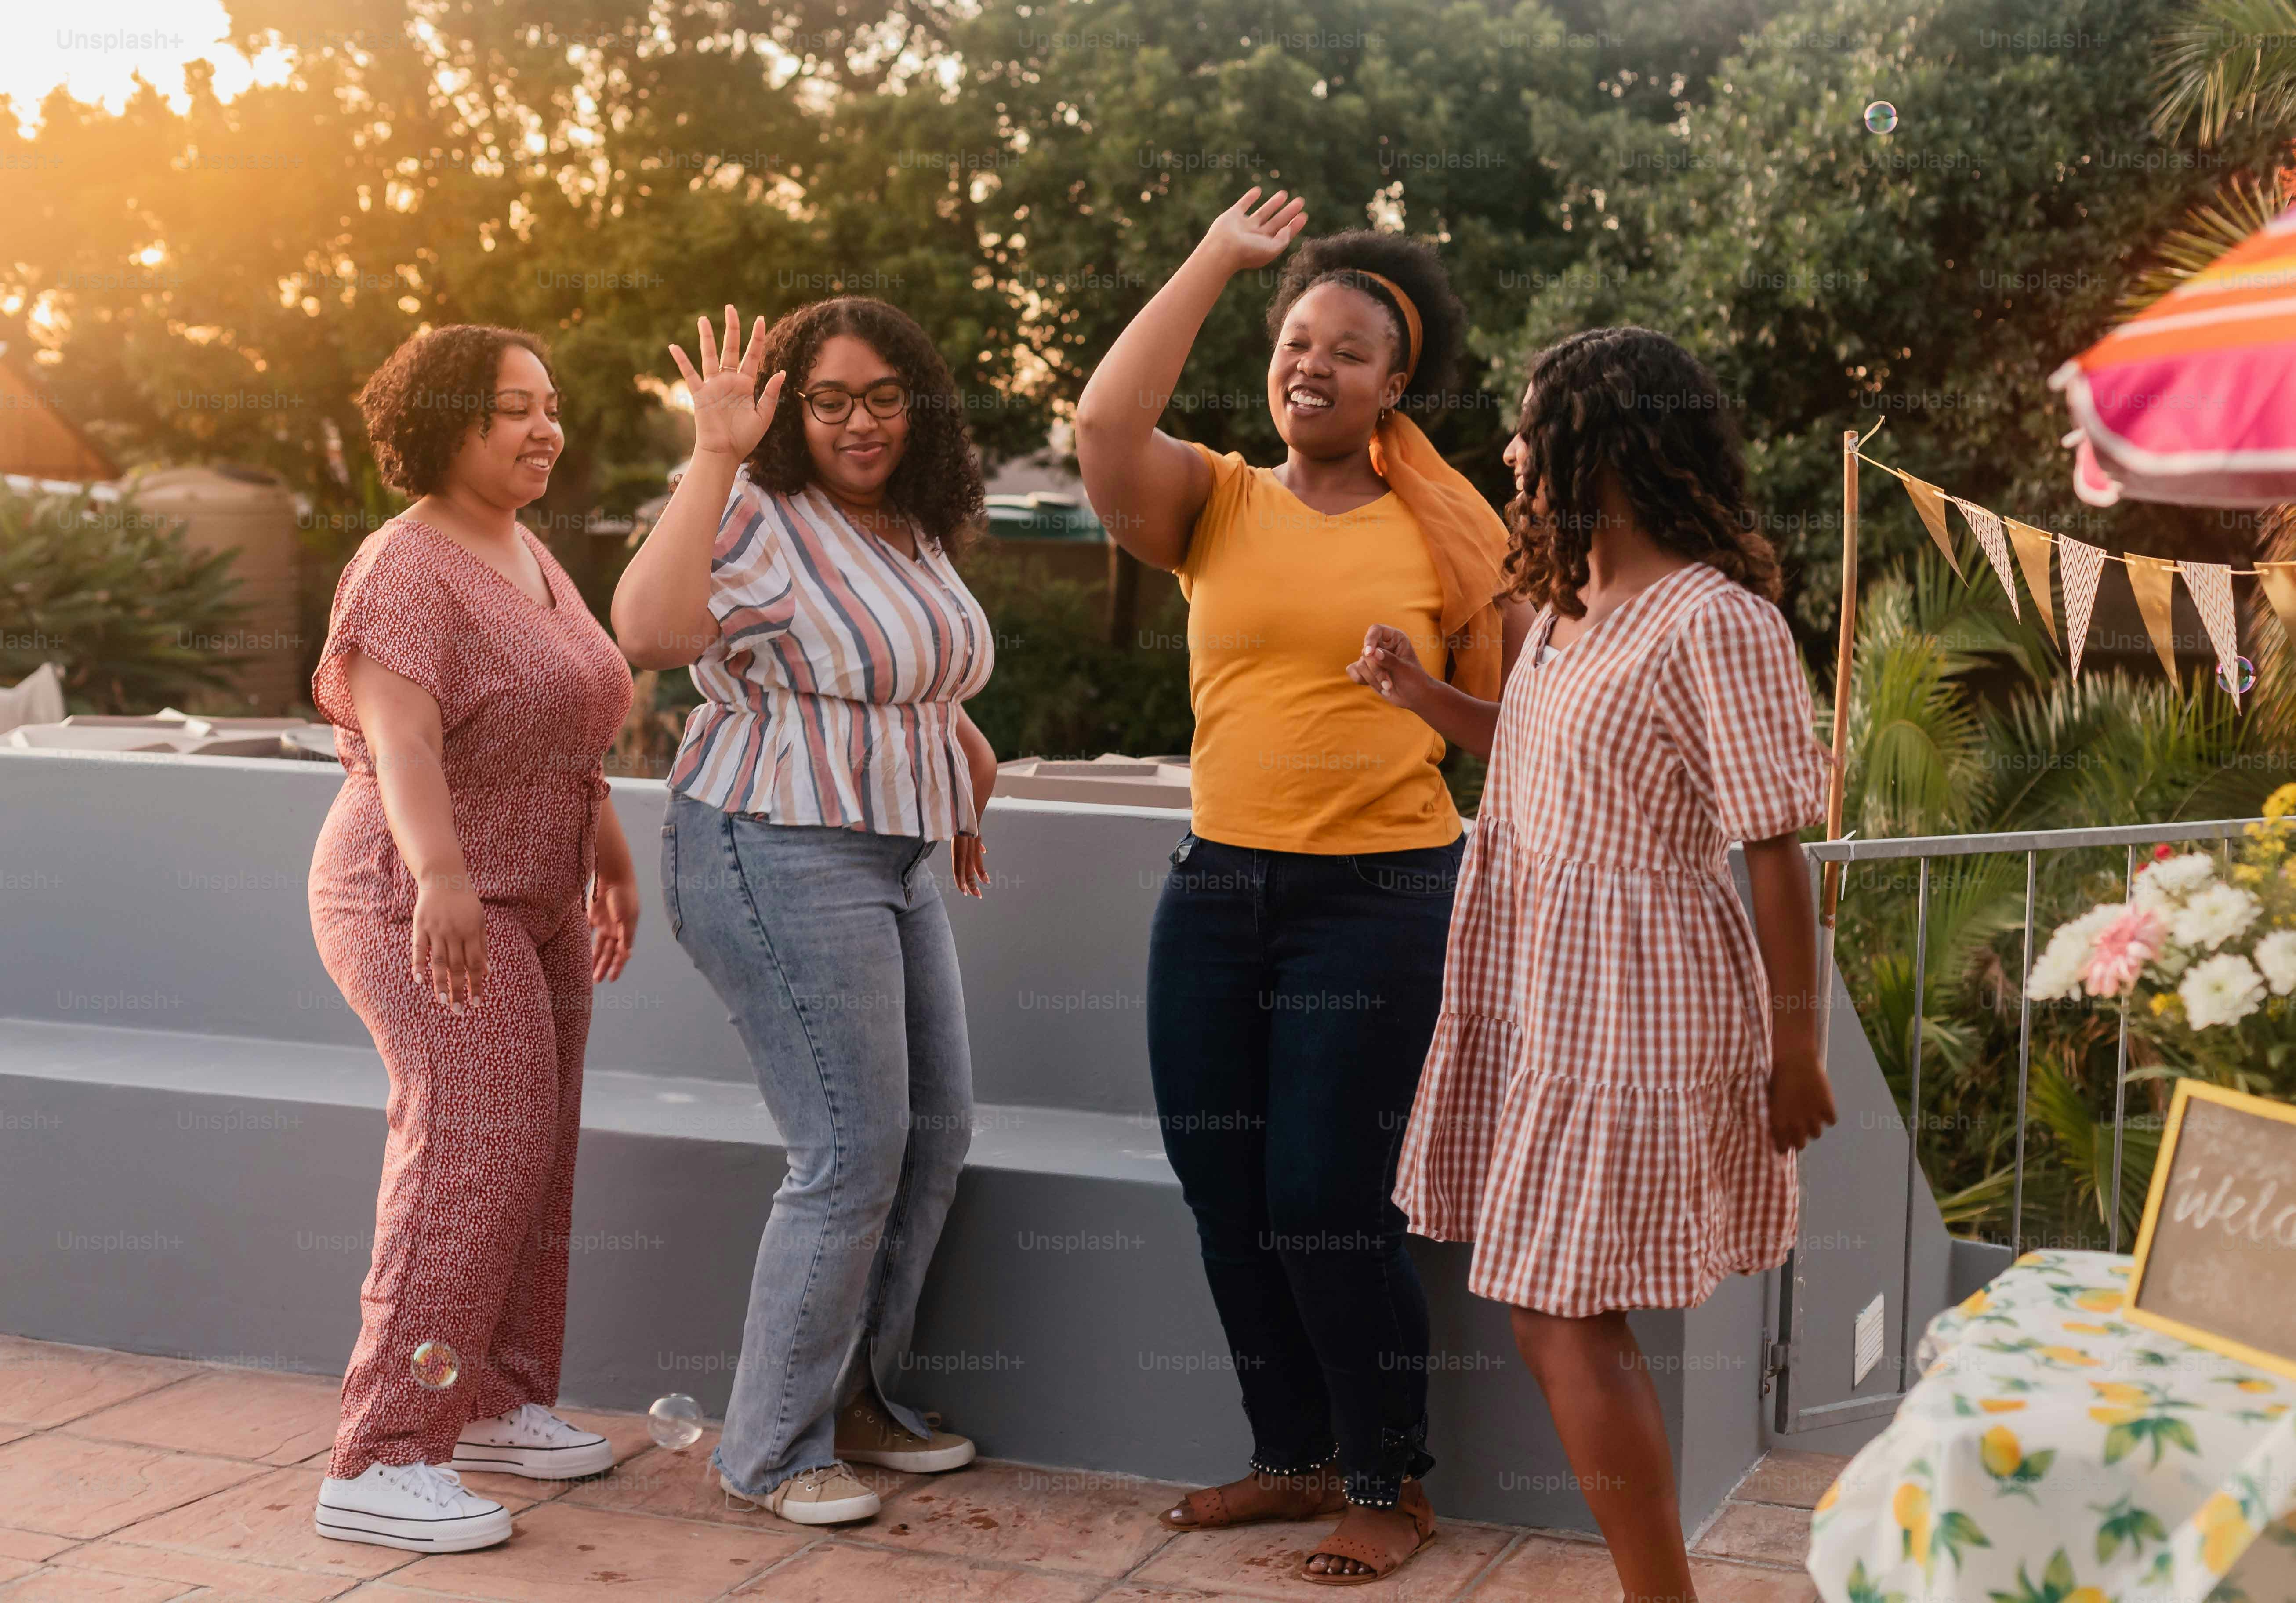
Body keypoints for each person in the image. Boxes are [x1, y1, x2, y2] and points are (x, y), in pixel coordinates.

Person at [1074, 189, 1531, 1585]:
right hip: (1216, 893)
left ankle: (1389, 1477)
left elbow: (1525, 732)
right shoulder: (1214, 500)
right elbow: (1103, 428)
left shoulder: (1453, 530)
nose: (1311, 366)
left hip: (1382, 896)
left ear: (1396, 387)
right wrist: (1217, 256)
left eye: (1347, 350)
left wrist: (1420, 685)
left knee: (1328, 1196)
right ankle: (1289, 1455)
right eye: (1295, 342)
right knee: (1225, 1186)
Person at [1378, 327, 1839, 1603]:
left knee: (1561, 1307)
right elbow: (1534, 763)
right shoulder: (1573, 612)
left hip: (1642, 998)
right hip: (1544, 990)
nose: (1515, 449)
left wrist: (1793, 1047)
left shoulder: (1717, 623)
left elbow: (1775, 850)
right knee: (1554, 1305)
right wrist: (1427, 698)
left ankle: (1660, 1597)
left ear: (1614, 444)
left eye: (1534, 424)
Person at [612, 301, 995, 1527]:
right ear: (792, 411)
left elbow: (914, 680)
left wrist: (963, 787)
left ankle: (859, 1402)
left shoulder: (910, 525)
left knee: (935, 1130)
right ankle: (770, 1450)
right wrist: (715, 449)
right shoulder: (755, 515)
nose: (858, 421)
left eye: (882, 394)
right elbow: (650, 632)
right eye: (827, 399)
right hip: (772, 844)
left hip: (890, 853)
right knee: (848, 1153)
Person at [309, 326, 638, 1553]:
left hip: (537, 894)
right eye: (514, 409)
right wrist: (441, 873)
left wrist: (602, 847)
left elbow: (561, 722)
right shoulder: (405, 563)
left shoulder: (528, 551)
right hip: (420, 893)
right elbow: (402, 737)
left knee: (534, 1148)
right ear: (450, 419)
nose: (544, 429)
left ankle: (494, 1402)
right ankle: (382, 1455)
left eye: (552, 406)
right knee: (470, 1145)